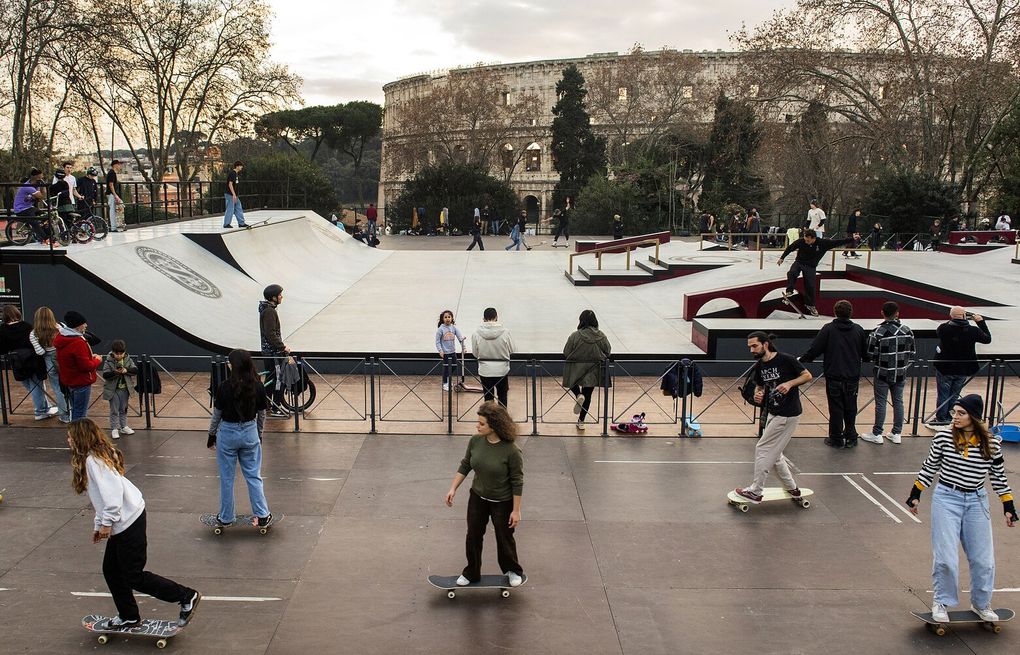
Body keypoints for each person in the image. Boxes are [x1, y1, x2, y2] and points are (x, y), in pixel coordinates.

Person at [68, 418, 201, 629]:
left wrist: (106, 523)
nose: (68, 440)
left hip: (129, 522)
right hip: (125, 520)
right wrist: (99, 524)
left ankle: (186, 596)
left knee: (133, 576)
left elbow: (113, 496)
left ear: (80, 437)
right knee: (111, 570)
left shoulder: (94, 461)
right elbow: (101, 499)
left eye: (70, 436)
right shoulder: (93, 458)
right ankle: (128, 615)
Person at [906, 394, 1016, 624]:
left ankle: (981, 604)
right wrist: (916, 493)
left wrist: (1008, 505)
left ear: (973, 417)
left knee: (983, 560)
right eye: (954, 412)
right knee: (946, 558)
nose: (955, 417)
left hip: (977, 501)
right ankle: (941, 602)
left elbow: (998, 477)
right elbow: (930, 466)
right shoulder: (944, 437)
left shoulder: (992, 443)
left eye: (960, 413)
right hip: (947, 498)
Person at [445, 402, 525, 588]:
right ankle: (471, 572)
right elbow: (466, 464)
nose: (477, 426)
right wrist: (453, 488)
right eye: (478, 422)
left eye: (482, 424)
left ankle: (513, 570)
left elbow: (517, 481)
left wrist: (516, 511)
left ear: (494, 426)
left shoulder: (511, 450)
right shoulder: (475, 441)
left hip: (502, 501)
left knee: (504, 537)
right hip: (478, 497)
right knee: (473, 535)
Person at [734, 332, 812, 504]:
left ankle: (756, 491)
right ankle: (792, 488)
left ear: (765, 344)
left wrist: (789, 383)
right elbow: (760, 387)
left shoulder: (786, 360)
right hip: (773, 412)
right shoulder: (760, 366)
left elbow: (807, 375)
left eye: (754, 346)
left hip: (787, 414)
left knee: (763, 448)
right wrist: (758, 394)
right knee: (775, 455)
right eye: (749, 347)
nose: (751, 350)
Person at [207, 349, 272, 529]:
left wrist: (211, 435)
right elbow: (262, 414)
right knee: (253, 475)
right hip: (250, 431)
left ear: (233, 365)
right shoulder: (257, 386)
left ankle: (226, 517)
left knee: (227, 478)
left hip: (227, 433)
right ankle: (262, 514)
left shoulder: (224, 387)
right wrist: (258, 434)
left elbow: (217, 415)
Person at [798, 300, 867, 448]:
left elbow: (815, 349)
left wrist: (802, 359)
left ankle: (836, 438)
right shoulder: (858, 330)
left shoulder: (828, 329)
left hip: (834, 374)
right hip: (852, 375)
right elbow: (865, 353)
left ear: (835, 312)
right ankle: (851, 437)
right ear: (851, 312)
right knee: (851, 407)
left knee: (836, 408)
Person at [863, 301, 916, 445]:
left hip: (882, 373)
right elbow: (912, 353)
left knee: (881, 403)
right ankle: (896, 433)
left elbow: (870, 354)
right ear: (897, 313)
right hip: (900, 373)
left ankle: (877, 433)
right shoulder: (907, 331)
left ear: (882, 313)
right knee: (898, 402)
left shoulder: (878, 332)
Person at [930, 307, 991, 426]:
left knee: (943, 394)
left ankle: (941, 418)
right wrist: (980, 322)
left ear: (951, 316)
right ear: (964, 316)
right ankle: (951, 416)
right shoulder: (973, 331)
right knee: (955, 394)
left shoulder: (943, 328)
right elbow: (987, 339)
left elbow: (944, 328)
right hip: (963, 368)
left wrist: (955, 317)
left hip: (945, 367)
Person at [777, 229, 859, 317]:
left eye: (808, 240)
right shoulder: (801, 241)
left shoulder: (823, 243)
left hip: (810, 266)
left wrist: (852, 239)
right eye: (805, 239)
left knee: (810, 285)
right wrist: (782, 257)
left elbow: (838, 242)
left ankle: (810, 305)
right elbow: (790, 248)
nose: (806, 242)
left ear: (814, 238)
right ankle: (789, 291)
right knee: (792, 272)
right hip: (799, 262)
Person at [0, 305, 58, 420]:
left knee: (30, 385)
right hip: (33, 359)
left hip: (17, 361)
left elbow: (2, 349)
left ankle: (45, 407)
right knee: (36, 386)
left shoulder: (2, 330)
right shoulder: (26, 326)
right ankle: (40, 411)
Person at [562, 310, 611, 431]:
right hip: (593, 370)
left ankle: (578, 395)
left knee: (572, 382)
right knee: (588, 395)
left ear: (581, 320)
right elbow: (608, 351)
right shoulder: (601, 336)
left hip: (576, 369)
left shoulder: (575, 336)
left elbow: (566, 352)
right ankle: (581, 421)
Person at [54, 311, 103, 420]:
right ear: (77, 326)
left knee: (75, 410)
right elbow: (86, 366)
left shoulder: (62, 338)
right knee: (80, 415)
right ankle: (77, 431)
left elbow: (72, 358)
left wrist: (89, 357)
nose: (86, 325)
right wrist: (97, 360)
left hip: (69, 381)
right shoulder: (78, 342)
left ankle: (74, 430)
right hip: (81, 382)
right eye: (83, 323)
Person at [30, 306, 70, 422]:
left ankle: (64, 416)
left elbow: (40, 352)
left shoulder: (34, 333)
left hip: (49, 361)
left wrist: (47, 349)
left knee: (57, 389)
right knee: (69, 387)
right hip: (63, 358)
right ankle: (73, 413)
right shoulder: (60, 327)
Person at [258, 284, 291, 417]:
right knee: (278, 379)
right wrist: (282, 347)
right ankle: (276, 407)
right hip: (273, 352)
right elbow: (271, 333)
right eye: (279, 295)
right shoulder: (270, 312)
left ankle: (266, 405)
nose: (281, 297)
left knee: (271, 378)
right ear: (273, 297)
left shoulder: (267, 310)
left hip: (269, 351)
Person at [472, 308, 515, 407]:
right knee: (502, 395)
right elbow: (512, 349)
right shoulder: (505, 332)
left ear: (483, 319)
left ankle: (489, 416)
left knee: (488, 397)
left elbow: (475, 353)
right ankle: (502, 415)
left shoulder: (476, 333)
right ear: (496, 317)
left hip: (485, 370)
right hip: (502, 369)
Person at [101, 339, 138, 440]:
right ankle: (114, 428)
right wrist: (115, 373)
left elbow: (135, 370)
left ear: (124, 352)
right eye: (116, 354)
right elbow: (105, 374)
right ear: (113, 352)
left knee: (123, 408)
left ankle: (123, 426)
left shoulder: (128, 359)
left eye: (121, 353)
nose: (119, 355)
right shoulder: (108, 361)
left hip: (125, 389)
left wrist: (126, 370)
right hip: (113, 390)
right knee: (114, 410)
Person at [12, 168, 48, 242]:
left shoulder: (36, 186)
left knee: (46, 216)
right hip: (21, 209)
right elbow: (41, 196)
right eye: (40, 178)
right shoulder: (28, 187)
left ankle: (45, 235)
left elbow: (40, 198)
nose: (41, 180)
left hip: (29, 207)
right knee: (35, 222)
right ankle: (46, 239)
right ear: (35, 177)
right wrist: (43, 187)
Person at [436, 310, 467, 392]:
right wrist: (440, 351)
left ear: (452, 318)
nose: (447, 319)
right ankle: (445, 383)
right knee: (446, 368)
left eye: (449, 317)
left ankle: (448, 379)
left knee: (454, 366)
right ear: (442, 319)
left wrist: (463, 348)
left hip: (452, 352)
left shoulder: (454, 328)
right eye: (445, 317)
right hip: (445, 353)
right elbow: (437, 341)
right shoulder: (440, 329)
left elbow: (460, 338)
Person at [223, 161, 248, 228]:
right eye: (241, 166)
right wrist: (233, 194)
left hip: (235, 195)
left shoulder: (236, 174)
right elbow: (230, 184)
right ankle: (226, 224)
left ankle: (241, 223)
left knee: (238, 208)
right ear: (237, 166)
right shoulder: (232, 173)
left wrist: (235, 195)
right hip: (230, 194)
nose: (242, 167)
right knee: (230, 208)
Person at [106, 160, 124, 232]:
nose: (120, 166)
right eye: (119, 164)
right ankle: (113, 227)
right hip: (111, 194)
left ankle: (117, 226)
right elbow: (111, 184)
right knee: (113, 211)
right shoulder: (112, 173)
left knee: (116, 209)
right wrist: (115, 195)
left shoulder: (112, 173)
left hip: (112, 194)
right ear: (115, 165)